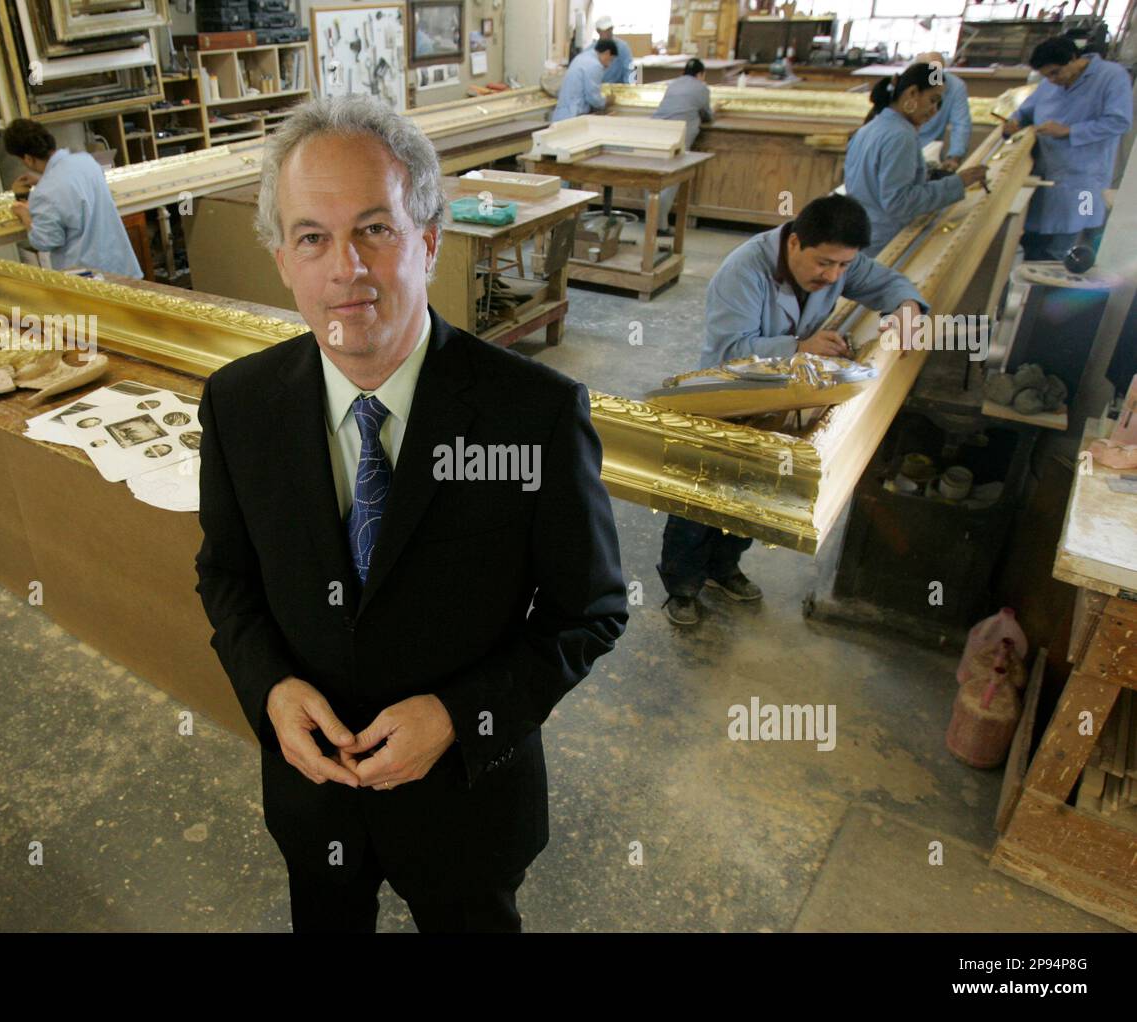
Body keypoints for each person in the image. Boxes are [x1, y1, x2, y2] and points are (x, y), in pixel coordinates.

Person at [193, 96, 628, 932]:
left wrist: (462, 717)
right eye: (312, 237)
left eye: (375, 230)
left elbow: (591, 613)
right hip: (315, 799)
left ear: (429, 239)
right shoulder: (239, 405)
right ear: (281, 258)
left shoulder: (530, 415)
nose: (344, 268)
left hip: (467, 806)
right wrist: (270, 689)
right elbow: (225, 574)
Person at [658, 195, 927, 626]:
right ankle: (682, 586)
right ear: (795, 242)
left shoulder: (835, 259)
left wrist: (908, 308)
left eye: (843, 266)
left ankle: (722, 568)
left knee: (754, 491)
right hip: (725, 395)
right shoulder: (743, 272)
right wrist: (798, 347)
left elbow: (889, 283)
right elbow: (728, 351)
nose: (835, 276)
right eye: (825, 264)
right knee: (701, 493)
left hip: (782, 395)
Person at [1001, 35, 1133, 262]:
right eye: (1046, 75)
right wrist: (1014, 122)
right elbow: (1026, 111)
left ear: (1074, 59)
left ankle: (1055, 291)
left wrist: (1070, 131)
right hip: (1046, 172)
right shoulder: (1049, 83)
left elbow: (1119, 122)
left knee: (1073, 240)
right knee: (1035, 240)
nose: (1052, 80)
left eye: (1055, 73)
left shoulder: (1111, 76)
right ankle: (1031, 287)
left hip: (1085, 180)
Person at [844, 62, 987, 257]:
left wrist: (925, 171)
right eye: (933, 100)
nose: (934, 110)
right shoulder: (901, 136)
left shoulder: (871, 127)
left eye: (939, 104)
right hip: (884, 243)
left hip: (861, 233)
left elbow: (877, 181)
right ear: (912, 93)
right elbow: (899, 203)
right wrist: (957, 184)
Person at [1, 118, 142, 279]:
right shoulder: (85, 160)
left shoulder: (45, 192)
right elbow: (74, 191)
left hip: (88, 277)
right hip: (119, 265)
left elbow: (47, 241)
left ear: (27, 158)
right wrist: (43, 180)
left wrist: (24, 214)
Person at [651, 57, 713, 235]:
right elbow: (707, 115)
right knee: (671, 180)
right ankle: (660, 226)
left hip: (657, 130)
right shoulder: (702, 88)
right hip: (678, 134)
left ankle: (652, 223)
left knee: (654, 179)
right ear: (701, 74)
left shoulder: (673, 84)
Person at [914, 52, 972, 171]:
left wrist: (954, 157)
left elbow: (961, 124)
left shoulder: (956, 86)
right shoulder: (904, 85)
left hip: (930, 153)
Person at [554, 39, 617, 121]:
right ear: (607, 53)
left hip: (564, 113)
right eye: (611, 60)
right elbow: (593, 98)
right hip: (573, 114)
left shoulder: (583, 57)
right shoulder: (595, 65)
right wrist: (606, 101)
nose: (609, 65)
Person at [584, 14, 635, 85]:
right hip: (597, 88)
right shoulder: (590, 50)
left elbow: (629, 69)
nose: (609, 33)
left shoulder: (622, 47)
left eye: (610, 29)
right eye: (606, 30)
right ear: (598, 31)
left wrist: (630, 90)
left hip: (617, 88)